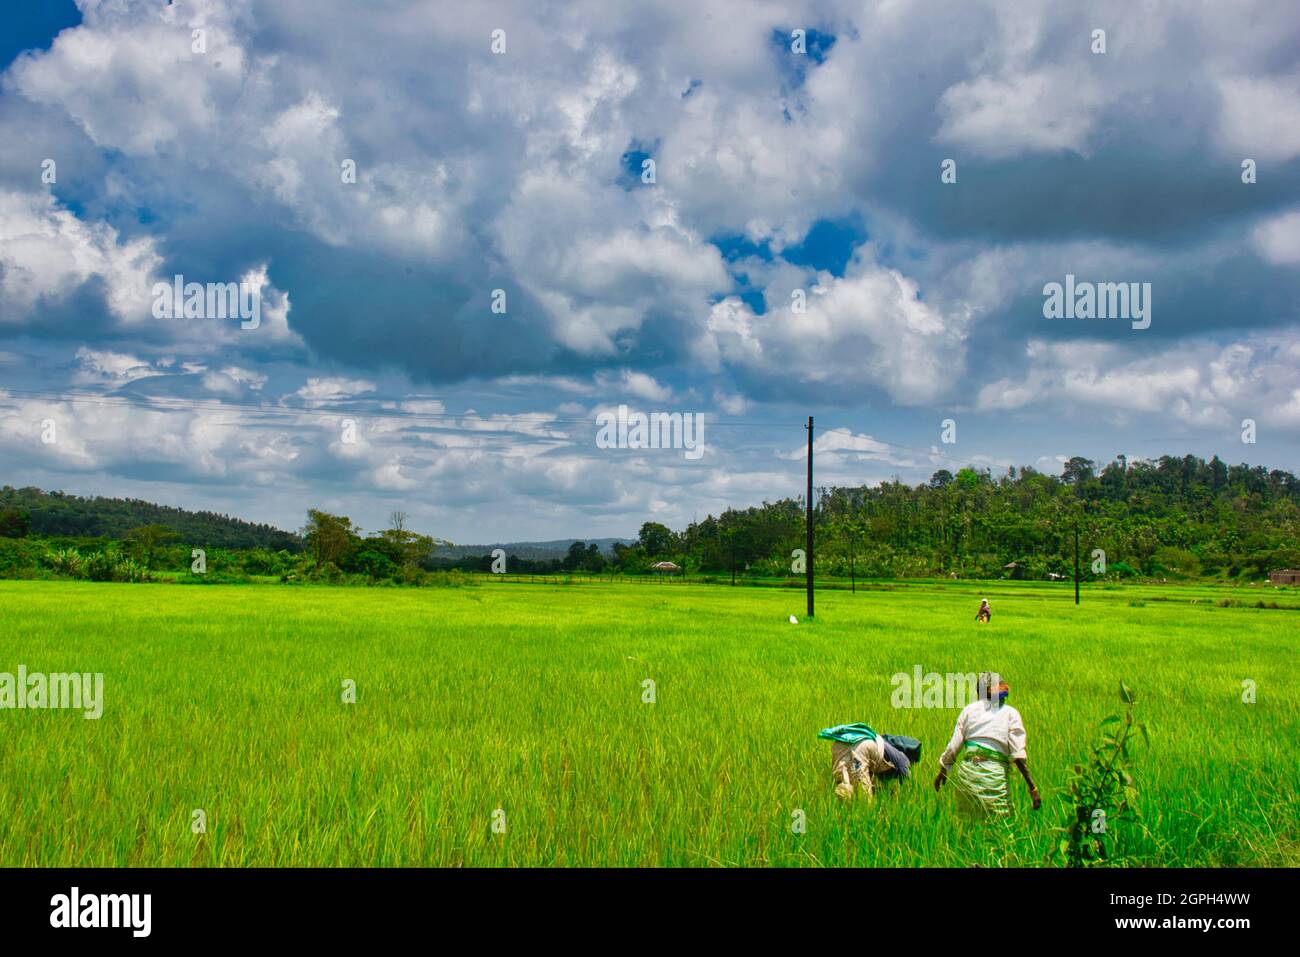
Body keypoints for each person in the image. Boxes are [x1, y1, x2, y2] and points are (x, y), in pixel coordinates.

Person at [933, 673, 1040, 816]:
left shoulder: (969, 711)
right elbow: (1018, 757)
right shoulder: (1011, 714)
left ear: (979, 693)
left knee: (968, 827)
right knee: (1002, 826)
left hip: (967, 777)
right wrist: (1032, 788)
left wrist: (943, 770)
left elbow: (953, 747)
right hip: (994, 779)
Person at [818, 724, 911, 801]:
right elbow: (905, 775)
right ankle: (860, 813)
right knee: (865, 799)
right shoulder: (903, 759)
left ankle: (844, 808)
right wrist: (905, 792)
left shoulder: (883, 743)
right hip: (860, 751)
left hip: (838, 745)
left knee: (843, 779)